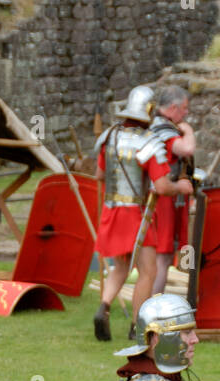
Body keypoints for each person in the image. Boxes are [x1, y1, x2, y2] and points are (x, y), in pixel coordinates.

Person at [93, 85, 192, 341]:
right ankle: (137, 325)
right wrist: (180, 185)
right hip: (138, 215)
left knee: (121, 268)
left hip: (112, 210)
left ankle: (103, 307)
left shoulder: (109, 137)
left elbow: (100, 175)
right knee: (148, 271)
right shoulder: (148, 142)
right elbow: (162, 186)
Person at [149, 86, 196, 294]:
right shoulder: (165, 130)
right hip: (164, 197)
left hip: (167, 196)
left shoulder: (158, 125)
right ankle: (153, 305)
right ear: (173, 108)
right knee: (163, 255)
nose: (186, 113)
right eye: (184, 108)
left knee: (165, 256)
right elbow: (186, 149)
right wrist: (189, 131)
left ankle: (153, 303)